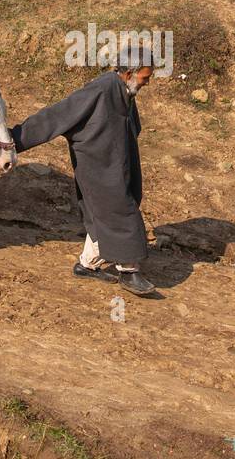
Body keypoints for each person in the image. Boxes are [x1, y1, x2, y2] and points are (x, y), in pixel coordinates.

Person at [10, 50, 156, 296]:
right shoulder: (101, 88)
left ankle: (88, 265)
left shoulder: (126, 90)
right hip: (98, 168)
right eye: (145, 78)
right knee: (121, 212)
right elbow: (57, 115)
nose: (147, 82)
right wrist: (13, 140)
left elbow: (128, 124)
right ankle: (129, 271)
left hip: (117, 163)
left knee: (104, 215)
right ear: (129, 73)